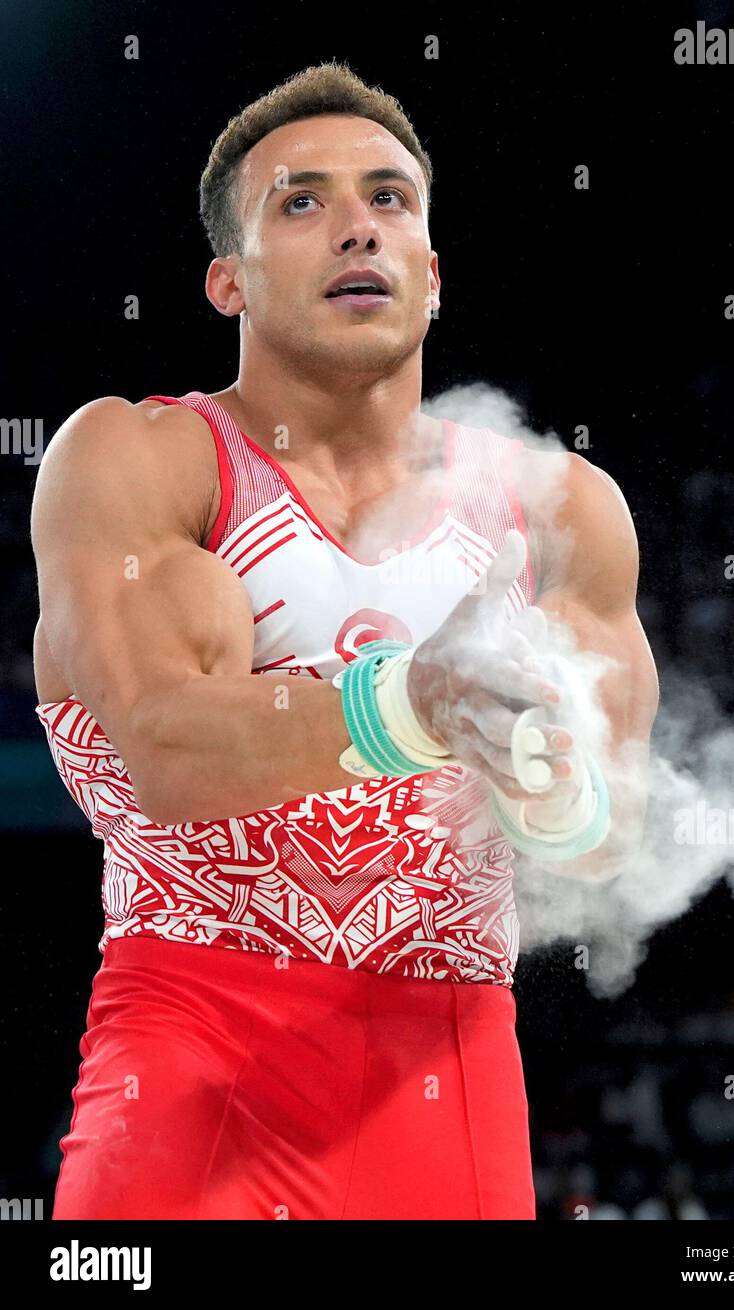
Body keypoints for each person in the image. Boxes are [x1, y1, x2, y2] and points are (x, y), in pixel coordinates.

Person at [30, 61, 659, 1220]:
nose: (356, 226)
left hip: (451, 1070)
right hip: (194, 1047)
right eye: (302, 202)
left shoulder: (561, 507)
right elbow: (170, 752)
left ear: (431, 271)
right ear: (229, 278)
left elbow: (606, 840)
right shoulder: (137, 461)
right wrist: (417, 705)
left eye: (389, 199)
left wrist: (552, 787)